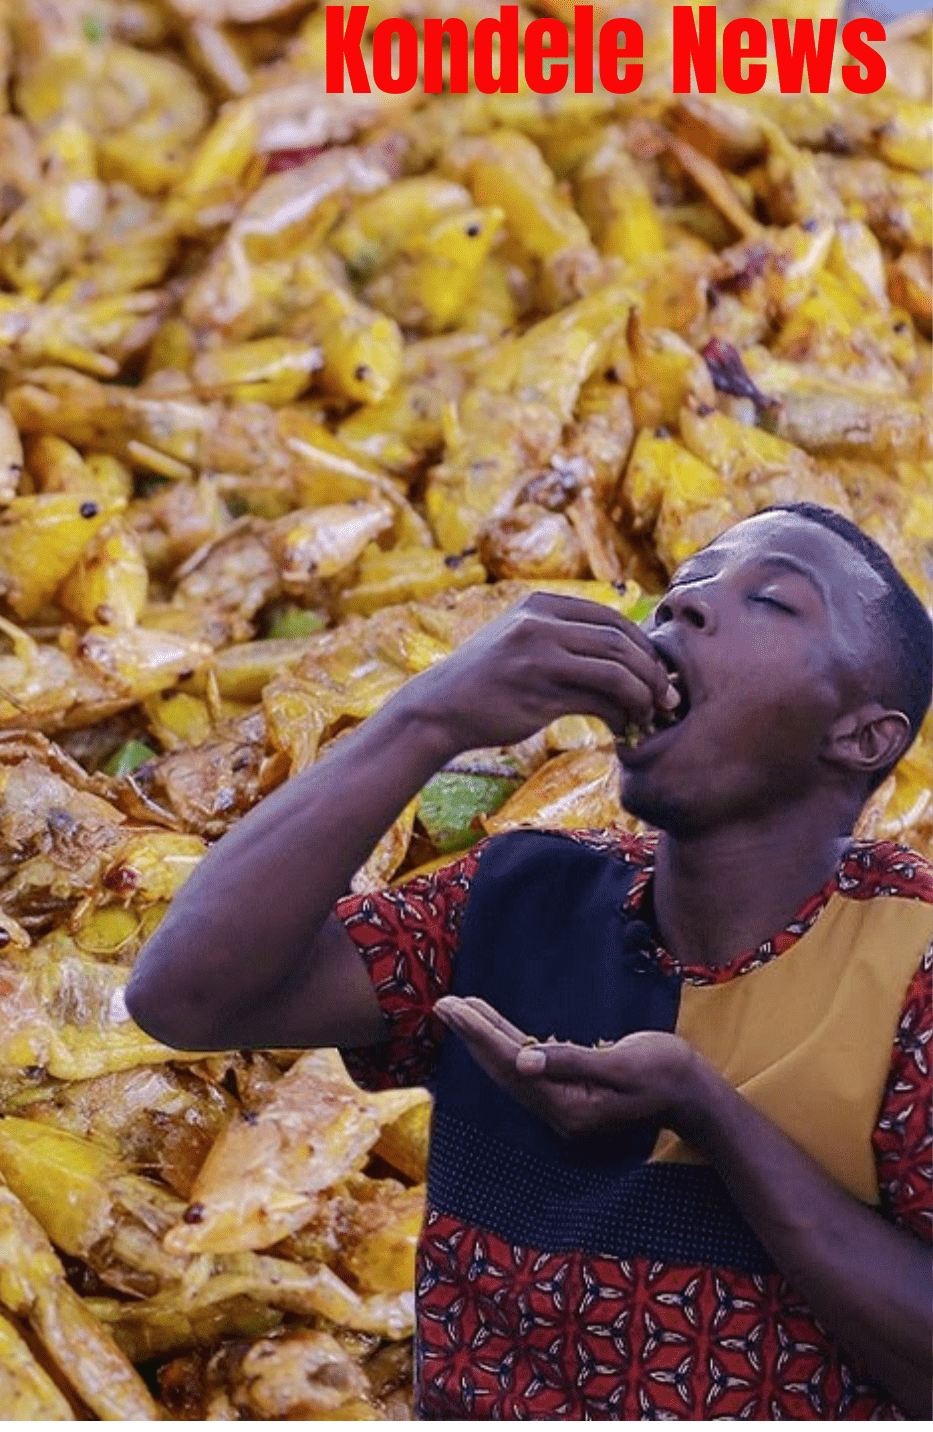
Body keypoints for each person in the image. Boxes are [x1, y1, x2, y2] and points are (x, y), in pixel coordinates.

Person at [126, 503, 933, 1418]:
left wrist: (712, 1116)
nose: (686, 608)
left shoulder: (910, 965)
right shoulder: (517, 895)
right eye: (683, 589)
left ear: (865, 736)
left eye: (776, 601)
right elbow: (180, 996)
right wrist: (429, 716)